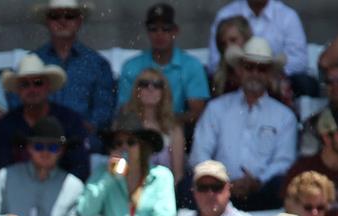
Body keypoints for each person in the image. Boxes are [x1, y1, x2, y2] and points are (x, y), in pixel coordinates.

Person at [189, 37, 297, 211]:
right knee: (188, 185)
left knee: (280, 184)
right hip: (216, 191)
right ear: (239, 70)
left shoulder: (285, 116)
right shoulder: (216, 108)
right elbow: (199, 155)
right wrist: (222, 182)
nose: (255, 73)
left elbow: (284, 162)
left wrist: (257, 181)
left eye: (261, 68)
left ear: (269, 73)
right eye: (249, 67)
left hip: (261, 192)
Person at [77, 116, 175, 216]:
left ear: (143, 146)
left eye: (131, 142)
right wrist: (109, 177)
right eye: (118, 143)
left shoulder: (162, 175)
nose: (124, 148)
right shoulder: (103, 173)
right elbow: (86, 210)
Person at [29, 0, 114, 155]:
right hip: (41, 140)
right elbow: (19, 103)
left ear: (79, 20)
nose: (62, 21)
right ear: (47, 21)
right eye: (55, 16)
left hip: (84, 141)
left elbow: (104, 109)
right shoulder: (32, 62)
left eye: (69, 16)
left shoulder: (97, 63)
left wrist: (84, 126)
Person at [0, 53, 89, 181]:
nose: (32, 89)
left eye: (38, 83)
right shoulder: (5, 125)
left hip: (62, 192)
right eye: (25, 84)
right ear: (18, 90)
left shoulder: (69, 120)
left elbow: (80, 168)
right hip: (18, 193)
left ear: (48, 86)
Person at [117, 4, 209, 132]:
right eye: (153, 29)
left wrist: (162, 125)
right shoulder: (131, 66)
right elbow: (124, 110)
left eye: (166, 28)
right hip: (138, 134)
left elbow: (197, 113)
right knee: (121, 146)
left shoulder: (192, 65)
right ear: (147, 31)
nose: (159, 34)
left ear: (175, 31)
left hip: (177, 132)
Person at [206, 0, 312, 95]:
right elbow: (214, 63)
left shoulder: (288, 16)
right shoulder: (225, 14)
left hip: (276, 80)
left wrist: (267, 73)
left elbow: (299, 61)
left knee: (303, 83)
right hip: (233, 79)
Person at [115, 67, 184, 182]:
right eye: (144, 84)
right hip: (125, 191)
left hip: (161, 193)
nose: (150, 88)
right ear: (137, 90)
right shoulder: (123, 125)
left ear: (164, 92)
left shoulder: (174, 130)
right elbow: (116, 167)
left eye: (157, 85)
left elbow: (177, 176)